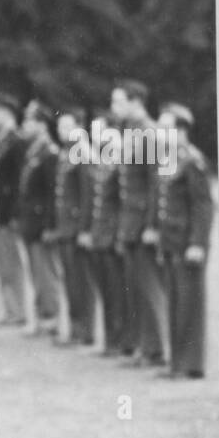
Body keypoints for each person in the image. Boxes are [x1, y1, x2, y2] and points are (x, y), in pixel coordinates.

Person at [153, 103, 213, 378]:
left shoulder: (192, 160)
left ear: (181, 131)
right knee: (176, 303)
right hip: (172, 240)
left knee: (189, 305)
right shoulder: (169, 158)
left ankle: (191, 364)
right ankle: (177, 363)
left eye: (166, 129)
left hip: (188, 243)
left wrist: (198, 243)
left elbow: (203, 206)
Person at [111, 80, 167, 368]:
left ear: (136, 101)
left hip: (143, 223)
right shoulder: (132, 132)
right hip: (130, 223)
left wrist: (152, 226)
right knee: (136, 289)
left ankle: (155, 349)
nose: (114, 107)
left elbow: (155, 184)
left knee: (149, 289)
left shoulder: (147, 133)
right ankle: (144, 347)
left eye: (118, 101)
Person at [80, 113, 130, 357]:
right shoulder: (100, 163)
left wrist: (117, 235)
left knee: (117, 293)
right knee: (106, 293)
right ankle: (110, 339)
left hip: (112, 237)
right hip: (100, 236)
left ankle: (120, 341)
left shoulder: (119, 164)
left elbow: (122, 204)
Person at [51, 106, 95, 346]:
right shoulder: (66, 152)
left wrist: (84, 229)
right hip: (65, 227)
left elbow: (87, 196)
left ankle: (84, 331)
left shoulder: (81, 153)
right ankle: (76, 329)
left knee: (81, 283)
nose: (62, 130)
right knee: (71, 281)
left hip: (76, 228)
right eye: (60, 126)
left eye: (68, 126)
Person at [18, 102, 61, 336]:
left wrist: (50, 225)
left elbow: (53, 193)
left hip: (41, 223)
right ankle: (42, 316)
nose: (25, 125)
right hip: (31, 223)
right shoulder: (33, 150)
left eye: (29, 120)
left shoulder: (49, 153)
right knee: (36, 272)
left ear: (42, 125)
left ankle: (50, 318)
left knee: (46, 273)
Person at [0, 92, 29, 326]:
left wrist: (16, 212)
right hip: (1, 211)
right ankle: (11, 309)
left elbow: (19, 182)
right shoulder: (3, 139)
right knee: (4, 263)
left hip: (10, 211)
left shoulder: (16, 140)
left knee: (12, 263)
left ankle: (18, 309)